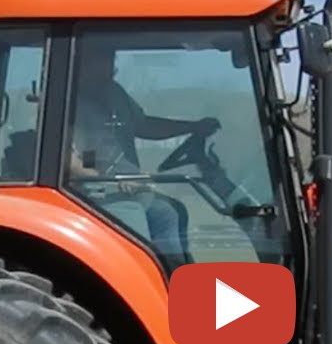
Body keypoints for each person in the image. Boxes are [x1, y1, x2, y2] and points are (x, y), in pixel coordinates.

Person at [67, 42, 219, 267]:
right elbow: (72, 163)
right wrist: (108, 180)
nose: (109, 68)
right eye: (102, 61)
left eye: (111, 61)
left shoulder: (114, 93)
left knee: (169, 213)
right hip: (101, 194)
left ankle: (176, 287)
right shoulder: (69, 103)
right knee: (138, 238)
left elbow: (144, 126)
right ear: (85, 64)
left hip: (130, 190)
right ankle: (150, 289)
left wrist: (192, 127)